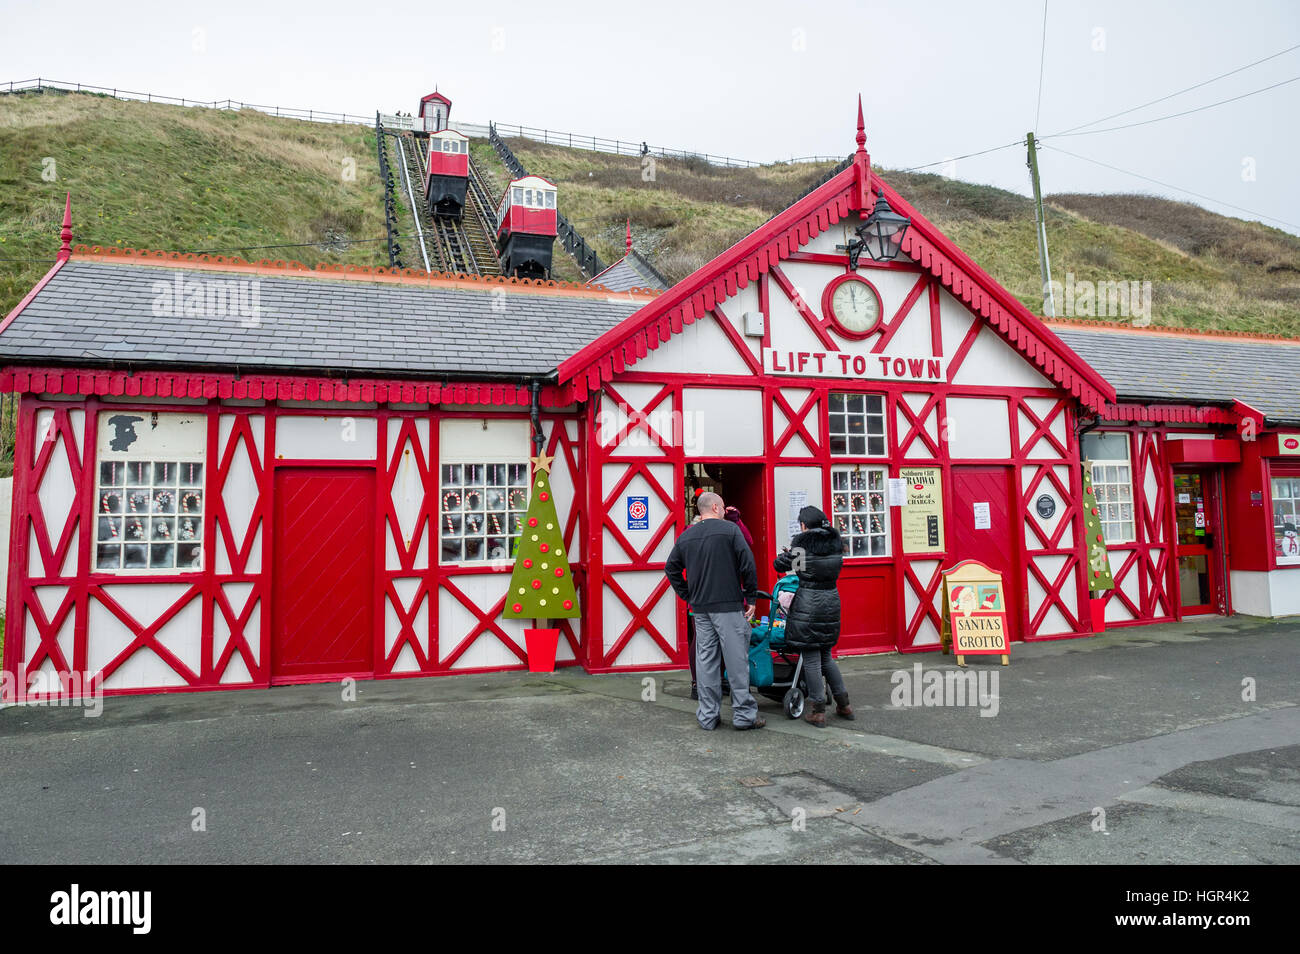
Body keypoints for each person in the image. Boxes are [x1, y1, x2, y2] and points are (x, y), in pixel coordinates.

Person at [665, 491, 764, 730]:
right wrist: (751, 596)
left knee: (706, 661)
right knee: (736, 661)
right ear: (718, 507)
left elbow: (671, 568)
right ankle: (744, 716)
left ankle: (708, 716)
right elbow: (747, 563)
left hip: (700, 609)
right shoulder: (731, 531)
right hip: (728, 605)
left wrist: (688, 595)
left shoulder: (687, 536)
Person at [773, 505, 853, 727]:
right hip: (831, 600)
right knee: (826, 655)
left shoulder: (802, 542)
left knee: (810, 656)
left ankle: (818, 710)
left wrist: (785, 556)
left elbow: (788, 567)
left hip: (809, 602)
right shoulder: (836, 543)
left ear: (803, 524)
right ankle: (844, 704)